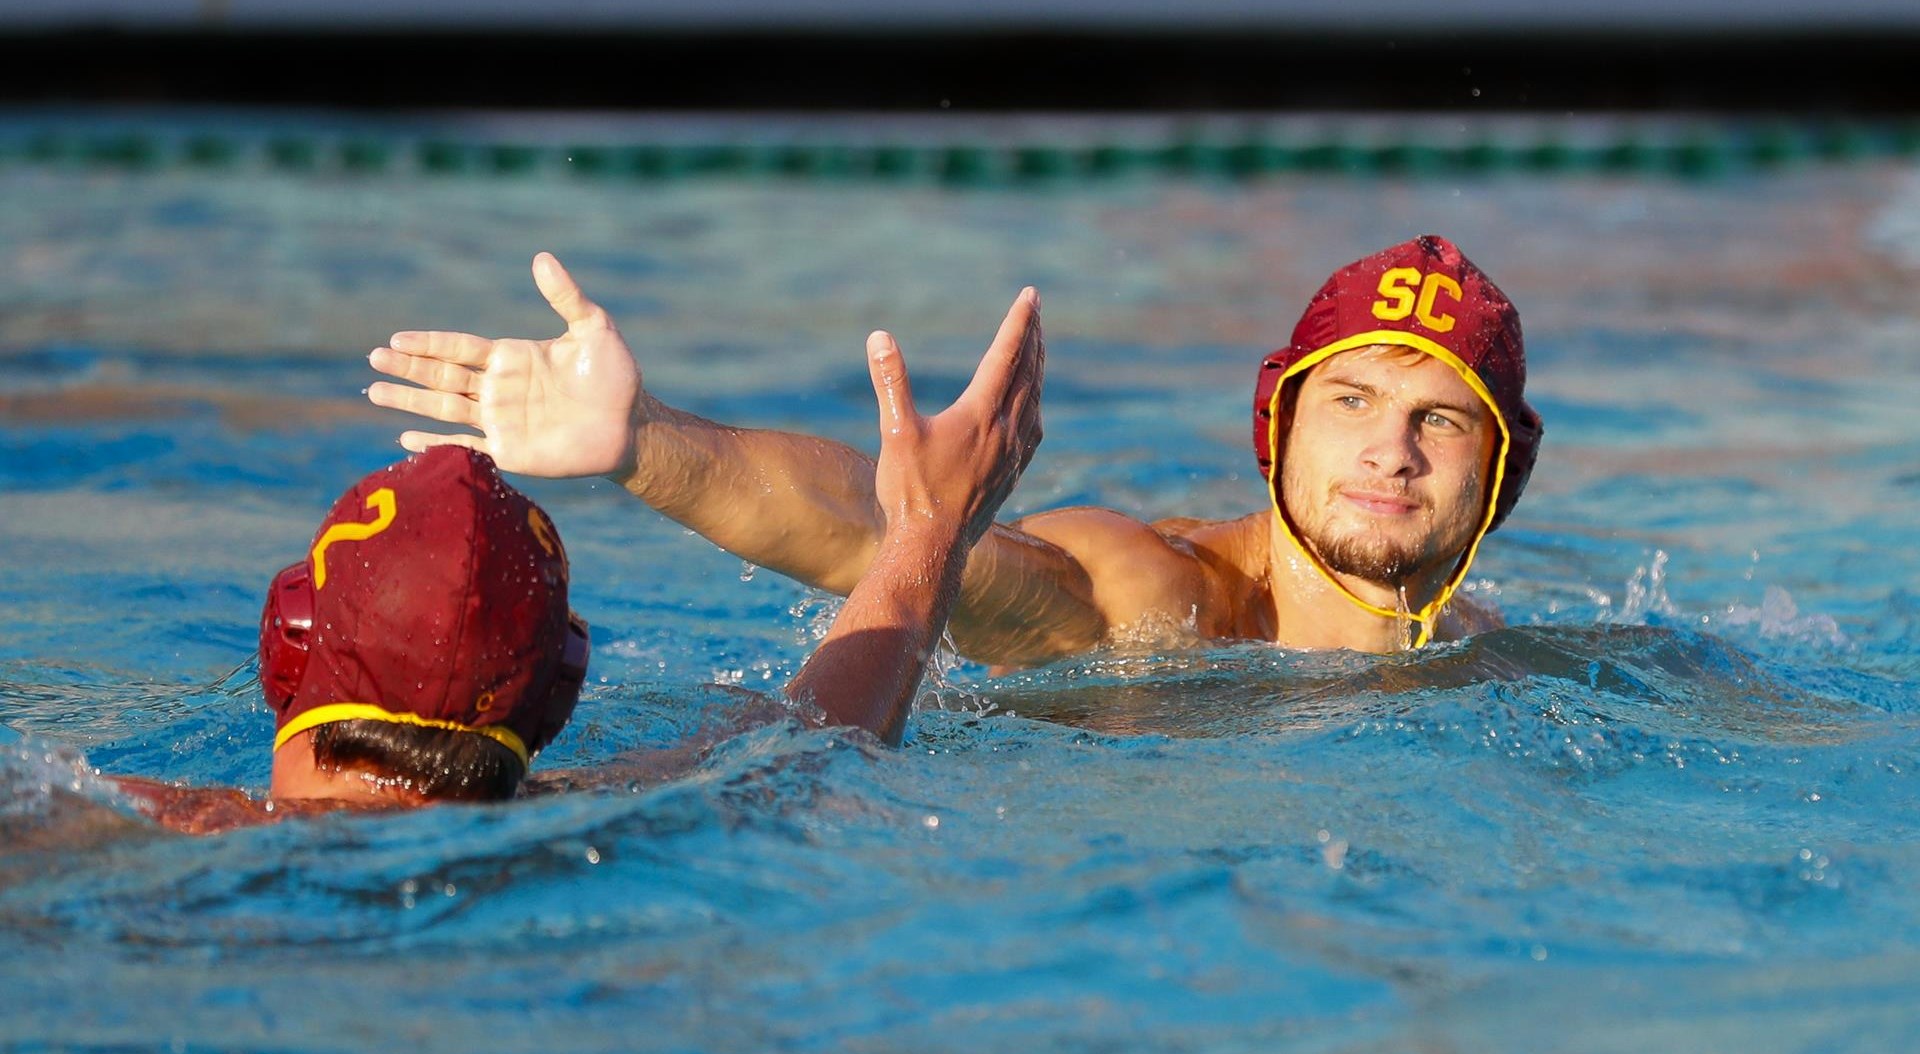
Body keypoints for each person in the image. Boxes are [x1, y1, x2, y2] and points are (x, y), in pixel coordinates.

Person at [367, 235, 1539, 672]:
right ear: (1278, 426)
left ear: (1501, 474)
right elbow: (918, 544)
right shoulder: (1161, 602)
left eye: (1439, 419)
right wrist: (646, 445)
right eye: (1351, 401)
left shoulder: (1489, 653)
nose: (1390, 450)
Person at [102, 291, 1044, 834]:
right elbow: (818, 732)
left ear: (285, 643)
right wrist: (932, 528)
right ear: (562, 689)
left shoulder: (150, 831)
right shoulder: (601, 818)